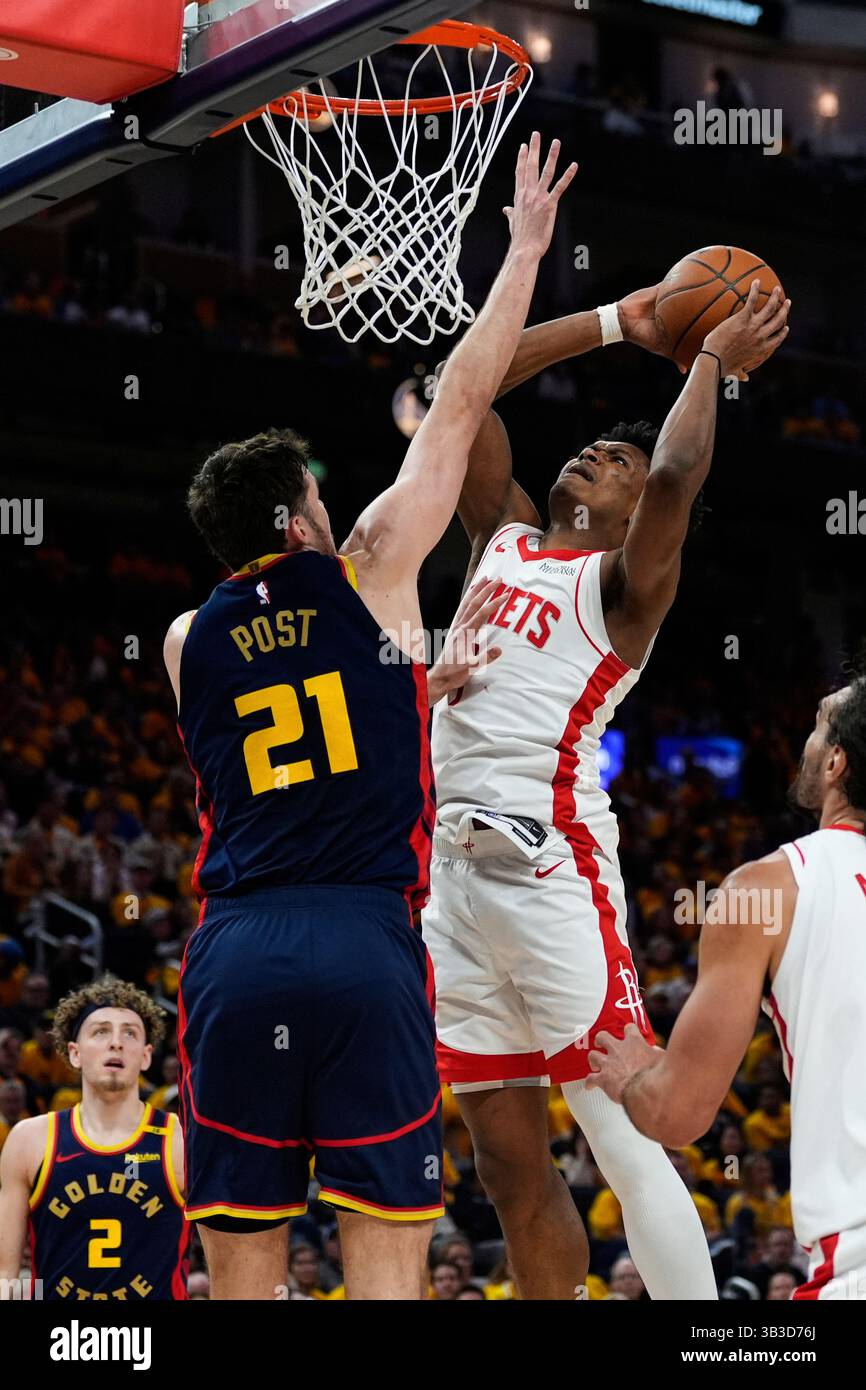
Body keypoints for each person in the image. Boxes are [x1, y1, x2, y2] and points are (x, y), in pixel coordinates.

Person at [163, 135, 577, 1301]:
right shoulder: (370, 570)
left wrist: (404, 682)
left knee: (242, 1265)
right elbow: (457, 401)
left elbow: (281, 697)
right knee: (387, 1262)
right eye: (318, 494)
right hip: (363, 942)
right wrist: (526, 246)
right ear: (300, 521)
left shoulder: (184, 641)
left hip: (237, 951)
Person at [422, 273, 790, 1298]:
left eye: (616, 460)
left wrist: (709, 356)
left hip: (550, 867)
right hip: (450, 882)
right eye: (592, 447)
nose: (597, 455)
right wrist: (605, 325)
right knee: (504, 1166)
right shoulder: (497, 532)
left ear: (635, 511)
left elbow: (675, 474)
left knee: (623, 1133)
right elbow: (468, 389)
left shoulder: (624, 588)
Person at [588, 675, 866, 1300]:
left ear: (837, 762)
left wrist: (635, 1075)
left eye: (820, 725)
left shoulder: (768, 889)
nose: (807, 739)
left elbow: (677, 1113)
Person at [0, 977, 188, 1300]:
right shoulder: (29, 1140)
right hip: (65, 1346)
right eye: (101, 1031)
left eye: (129, 1033)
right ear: (74, 1053)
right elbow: (6, 1275)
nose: (116, 1042)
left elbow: (221, 1260)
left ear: (145, 1057)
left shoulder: (181, 1139)